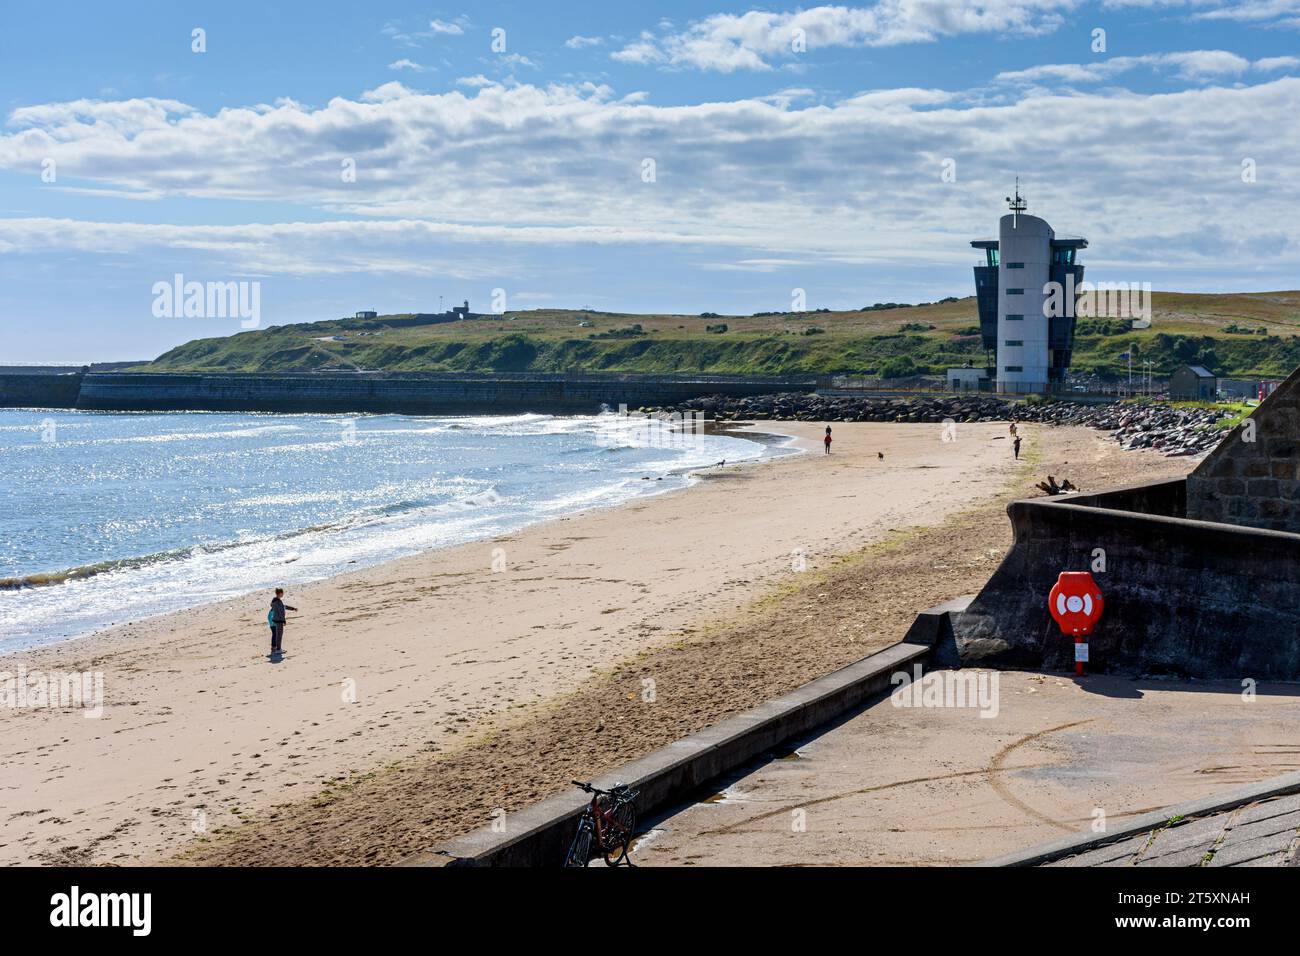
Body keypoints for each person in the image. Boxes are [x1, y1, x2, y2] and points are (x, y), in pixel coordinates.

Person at [268, 588, 297, 655]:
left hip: (276, 620)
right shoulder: (277, 602)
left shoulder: (276, 601)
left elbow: (284, 607)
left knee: (277, 634)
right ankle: (278, 649)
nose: (283, 594)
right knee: (279, 635)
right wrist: (283, 620)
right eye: (282, 593)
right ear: (279, 593)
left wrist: (293, 608)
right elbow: (280, 612)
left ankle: (276, 648)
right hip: (278, 620)